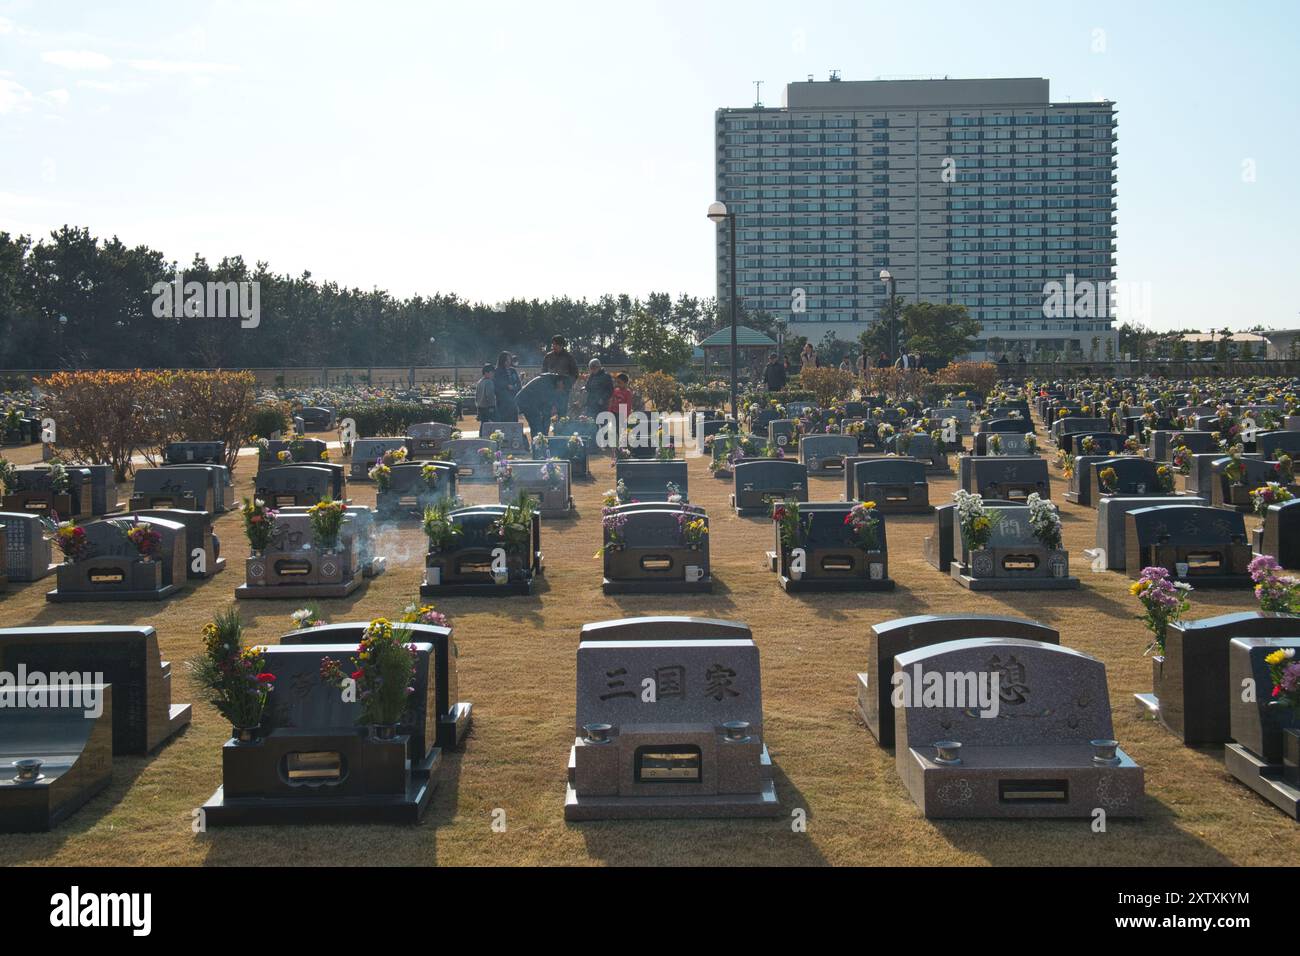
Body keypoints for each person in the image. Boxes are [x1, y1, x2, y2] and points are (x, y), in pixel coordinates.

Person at [515, 372, 567, 439]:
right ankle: (538, 445)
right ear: (560, 382)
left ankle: (541, 443)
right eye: (563, 386)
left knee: (540, 424)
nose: (561, 389)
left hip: (530, 402)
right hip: (526, 401)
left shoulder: (551, 381)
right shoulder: (547, 382)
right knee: (536, 425)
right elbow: (546, 406)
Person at [492, 351, 519, 423]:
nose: (509, 361)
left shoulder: (513, 371)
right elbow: (496, 386)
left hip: (513, 402)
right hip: (502, 403)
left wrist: (513, 388)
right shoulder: (497, 371)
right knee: (503, 423)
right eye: (507, 359)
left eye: (509, 359)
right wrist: (506, 386)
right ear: (502, 360)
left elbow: (519, 385)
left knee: (514, 423)